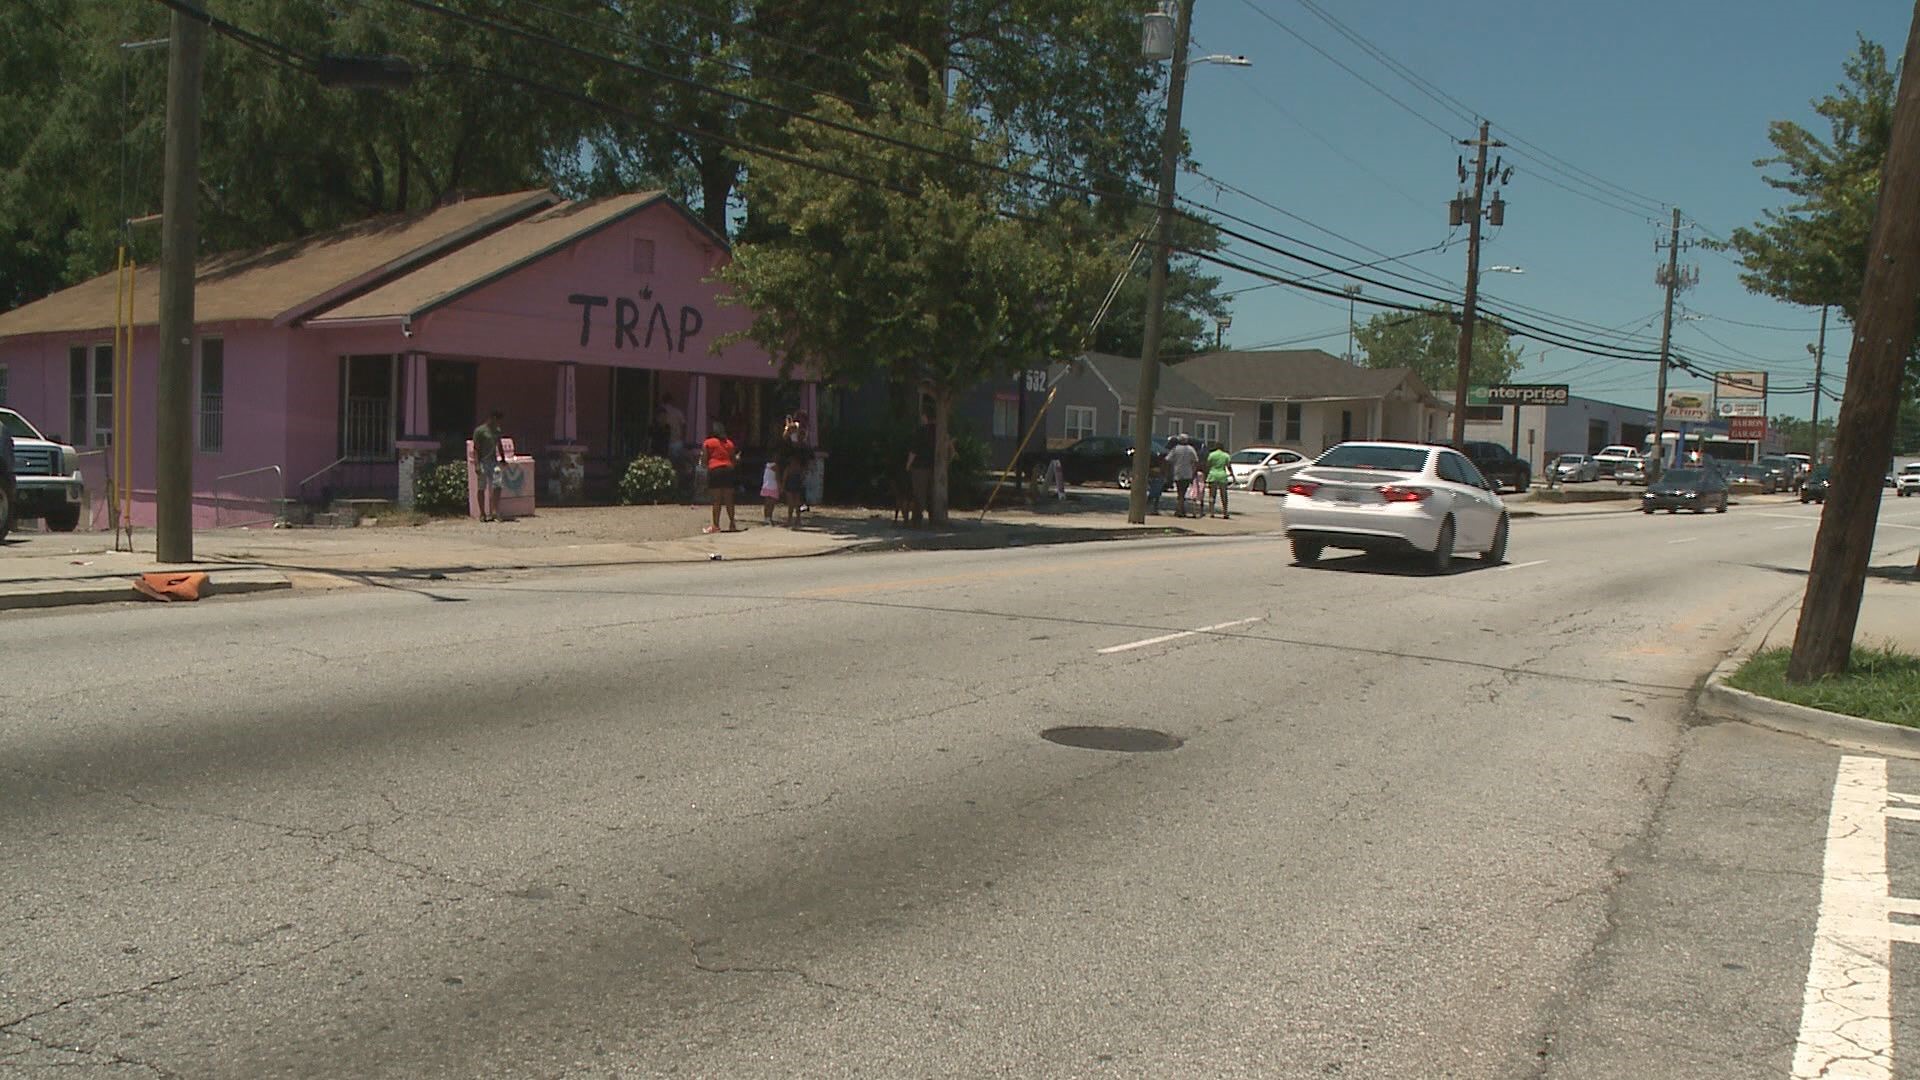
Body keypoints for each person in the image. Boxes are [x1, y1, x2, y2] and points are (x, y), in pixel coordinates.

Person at [701, 421, 738, 534]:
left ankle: (716, 525)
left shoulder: (708, 443)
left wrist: (705, 466)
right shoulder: (730, 444)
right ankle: (732, 523)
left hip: (715, 470)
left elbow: (704, 460)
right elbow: (733, 460)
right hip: (728, 470)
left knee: (716, 500)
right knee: (729, 500)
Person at [777, 419, 812, 529]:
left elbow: (787, 470)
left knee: (792, 500)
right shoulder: (801, 447)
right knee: (796, 499)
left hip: (794, 475)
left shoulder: (794, 449)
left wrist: (782, 483)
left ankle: (791, 519)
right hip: (798, 475)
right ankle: (796, 519)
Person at [472, 410, 506, 522]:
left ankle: (495, 511)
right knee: (482, 487)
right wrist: (477, 464)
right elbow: (476, 449)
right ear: (492, 418)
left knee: (498, 484)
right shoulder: (480, 431)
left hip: (494, 461)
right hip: (483, 461)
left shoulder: (497, 431)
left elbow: (499, 444)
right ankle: (482, 513)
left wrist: (503, 458)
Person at [904, 410, 936, 526]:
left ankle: (917, 519)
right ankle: (934, 518)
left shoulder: (921, 431)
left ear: (925, 417)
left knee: (919, 494)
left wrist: (908, 465)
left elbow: (914, 450)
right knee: (931, 494)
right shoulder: (940, 431)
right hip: (934, 467)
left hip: (920, 467)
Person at [1166, 434, 1200, 518]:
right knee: (1182, 492)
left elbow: (1168, 459)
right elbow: (1195, 461)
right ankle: (1180, 510)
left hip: (1177, 472)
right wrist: (1194, 471)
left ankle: (1179, 510)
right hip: (1187, 473)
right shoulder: (1191, 449)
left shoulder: (1175, 449)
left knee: (1180, 492)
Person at [656, 393, 687, 467]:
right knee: (676, 465)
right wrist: (682, 438)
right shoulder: (677, 412)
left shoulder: (660, 412)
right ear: (671, 401)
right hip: (676, 441)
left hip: (664, 443)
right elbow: (683, 425)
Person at [1205, 440, 1232, 518]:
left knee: (1212, 495)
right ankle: (1225, 512)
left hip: (1213, 475)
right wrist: (1232, 475)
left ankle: (1212, 512)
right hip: (1222, 476)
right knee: (1224, 495)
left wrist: (1206, 474)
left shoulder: (1211, 455)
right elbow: (1229, 466)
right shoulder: (1226, 455)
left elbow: (1208, 465)